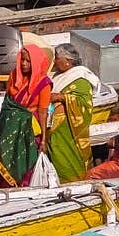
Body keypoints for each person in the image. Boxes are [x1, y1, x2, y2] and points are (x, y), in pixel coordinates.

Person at [0, 41, 53, 187]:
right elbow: (8, 104)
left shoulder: (43, 83)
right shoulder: (14, 75)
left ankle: (25, 187)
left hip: (29, 129)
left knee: (26, 162)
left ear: (36, 62)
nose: (24, 64)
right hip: (9, 127)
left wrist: (44, 139)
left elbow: (43, 111)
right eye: (22, 60)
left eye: (28, 61)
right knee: (5, 160)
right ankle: (6, 187)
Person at [45, 44, 99, 183]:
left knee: (67, 157)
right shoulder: (58, 74)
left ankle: (73, 183)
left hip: (69, 129)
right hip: (54, 125)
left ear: (68, 60)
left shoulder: (80, 78)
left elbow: (84, 103)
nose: (54, 62)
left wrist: (61, 97)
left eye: (57, 58)